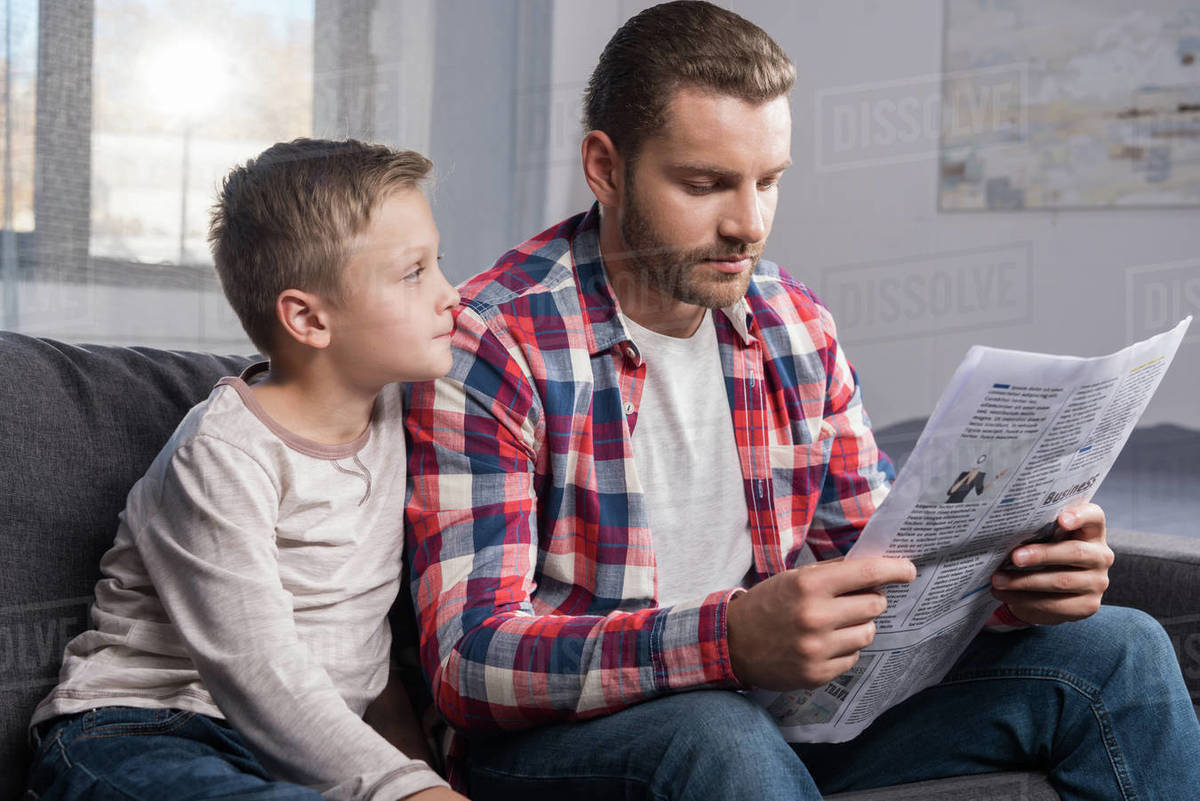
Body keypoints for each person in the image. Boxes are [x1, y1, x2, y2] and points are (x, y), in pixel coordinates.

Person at [404, 3, 1200, 799]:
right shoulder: (492, 342)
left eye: (768, 181)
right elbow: (468, 660)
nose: (747, 223)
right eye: (704, 183)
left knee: (1119, 648)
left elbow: (881, 563)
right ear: (605, 167)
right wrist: (728, 642)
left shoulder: (792, 320)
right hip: (568, 739)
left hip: (772, 702)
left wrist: (1017, 582)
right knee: (718, 731)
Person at [26, 139, 467, 801]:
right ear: (308, 317)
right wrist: (408, 791)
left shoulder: (401, 413)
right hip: (145, 732)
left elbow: (364, 652)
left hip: (294, 752)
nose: (450, 295)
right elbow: (258, 667)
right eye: (413, 273)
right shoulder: (224, 452)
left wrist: (418, 773)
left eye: (439, 263)